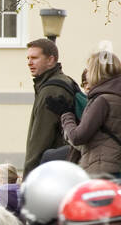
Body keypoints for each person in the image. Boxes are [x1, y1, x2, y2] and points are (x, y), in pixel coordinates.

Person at [56, 50, 121, 177]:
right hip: (119, 168)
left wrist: (66, 115)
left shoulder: (101, 100)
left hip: (100, 172)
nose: (87, 74)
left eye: (89, 69)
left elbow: (77, 137)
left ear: (95, 71)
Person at [24, 37, 80, 175]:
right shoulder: (66, 81)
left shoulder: (51, 90)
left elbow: (40, 139)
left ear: (50, 60)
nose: (29, 63)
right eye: (28, 58)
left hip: (56, 170)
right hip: (69, 164)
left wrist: (28, 177)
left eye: (35, 58)